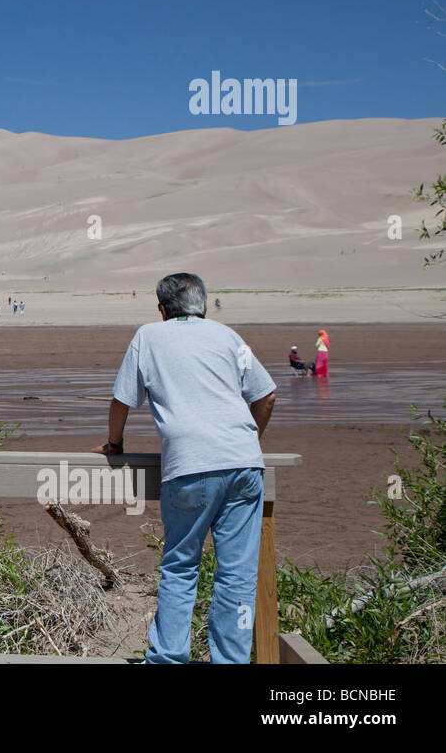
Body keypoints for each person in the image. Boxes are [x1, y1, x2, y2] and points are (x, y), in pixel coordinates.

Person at [93, 273, 276, 664]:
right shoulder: (227, 336)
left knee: (180, 566)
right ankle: (231, 660)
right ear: (205, 306)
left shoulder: (148, 337)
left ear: (162, 309)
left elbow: (121, 401)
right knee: (237, 575)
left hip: (188, 466)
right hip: (243, 464)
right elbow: (266, 394)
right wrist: (248, 440)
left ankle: (169, 657)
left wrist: (116, 444)